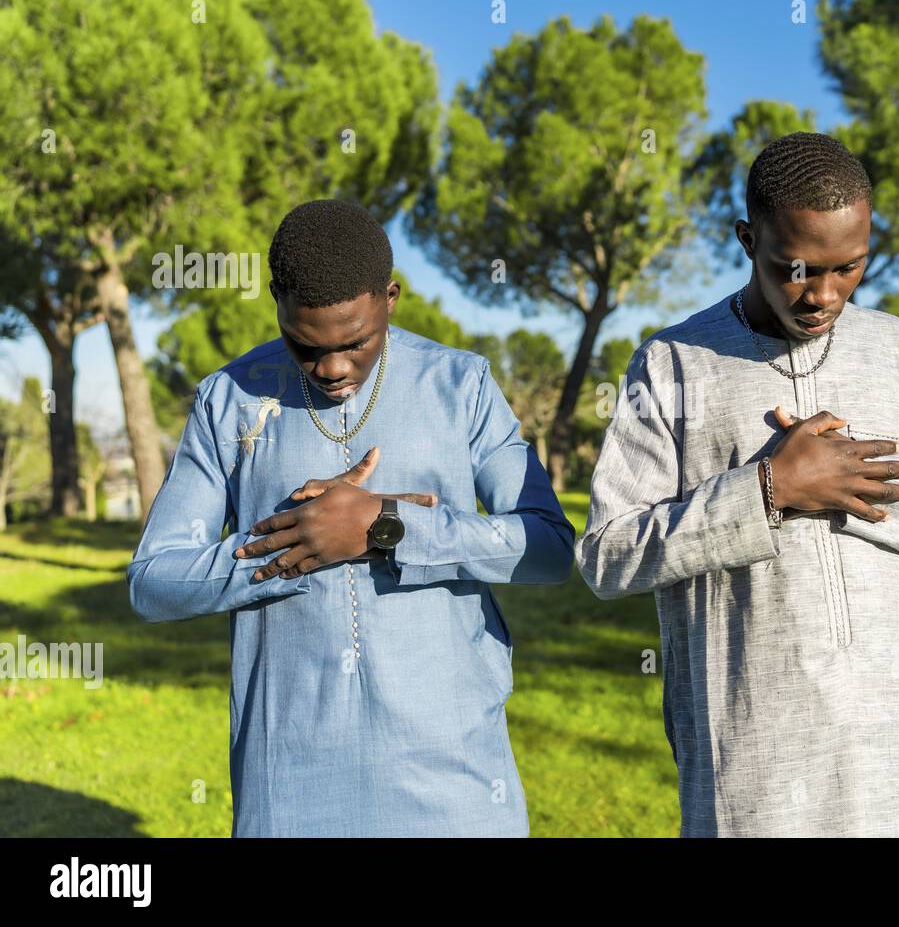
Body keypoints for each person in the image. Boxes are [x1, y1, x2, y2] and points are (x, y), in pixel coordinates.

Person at [577, 132, 899, 837]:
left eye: (850, 268)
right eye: (797, 269)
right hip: (754, 760)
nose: (823, 295)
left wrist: (860, 482)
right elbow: (608, 555)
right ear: (748, 238)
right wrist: (769, 490)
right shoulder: (672, 365)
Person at [128, 199, 575, 837]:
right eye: (305, 347)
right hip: (287, 781)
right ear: (275, 300)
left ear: (390, 298)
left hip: (453, 780)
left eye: (356, 343)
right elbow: (153, 581)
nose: (333, 370)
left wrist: (386, 527)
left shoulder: (461, 385)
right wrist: (298, 544)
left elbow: (551, 547)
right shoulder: (229, 398)